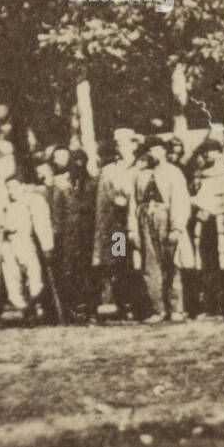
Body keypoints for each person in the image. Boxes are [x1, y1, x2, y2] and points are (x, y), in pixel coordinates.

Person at [134, 134, 192, 321]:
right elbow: (133, 204)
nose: (153, 153)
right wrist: (131, 230)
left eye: (157, 149)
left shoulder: (174, 173)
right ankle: (158, 309)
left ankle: (176, 308)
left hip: (167, 219)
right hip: (145, 220)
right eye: (150, 150)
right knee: (151, 266)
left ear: (164, 151)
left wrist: (177, 228)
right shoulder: (141, 175)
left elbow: (181, 201)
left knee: (173, 264)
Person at [0, 171, 54, 323]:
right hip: (7, 244)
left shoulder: (33, 200)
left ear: (23, 186)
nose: (11, 191)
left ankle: (35, 306)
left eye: (14, 187)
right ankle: (25, 309)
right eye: (8, 188)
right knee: (12, 280)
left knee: (34, 277)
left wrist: (47, 245)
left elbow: (42, 224)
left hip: (26, 242)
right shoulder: (1, 203)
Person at [92, 128, 141, 321]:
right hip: (117, 230)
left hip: (138, 225)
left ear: (133, 144)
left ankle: (142, 305)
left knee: (139, 263)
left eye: (123, 142)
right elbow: (103, 204)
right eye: (117, 143)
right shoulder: (108, 171)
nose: (119, 146)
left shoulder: (141, 168)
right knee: (120, 263)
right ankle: (124, 304)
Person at [189, 134, 224, 315]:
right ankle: (211, 304)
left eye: (213, 152)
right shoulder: (200, 175)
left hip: (223, 222)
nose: (209, 155)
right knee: (208, 264)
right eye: (206, 152)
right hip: (206, 224)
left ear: (220, 154)